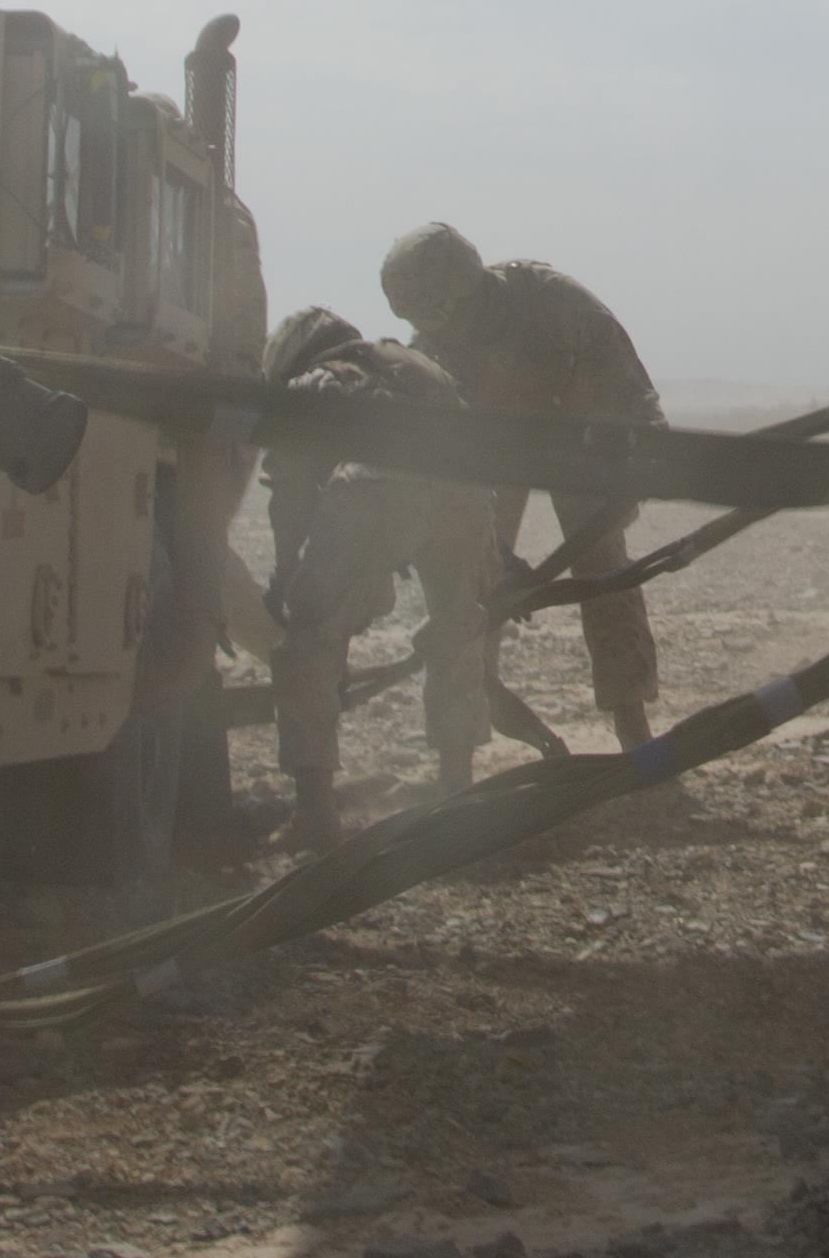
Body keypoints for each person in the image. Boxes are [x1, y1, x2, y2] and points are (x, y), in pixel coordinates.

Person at [378, 225, 665, 749]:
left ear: (468, 286)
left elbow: (628, 388)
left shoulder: (556, 303)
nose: (448, 329)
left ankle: (632, 725)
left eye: (448, 314)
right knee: (470, 576)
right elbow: (429, 438)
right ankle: (466, 731)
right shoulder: (436, 344)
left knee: (603, 570)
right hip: (496, 455)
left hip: (584, 445)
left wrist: (632, 466)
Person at [255, 305, 516, 844]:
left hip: (377, 489)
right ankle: (455, 788)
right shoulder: (415, 364)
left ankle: (315, 811)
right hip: (465, 493)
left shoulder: (312, 382)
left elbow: (289, 490)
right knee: (458, 628)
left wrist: (286, 575)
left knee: (310, 638)